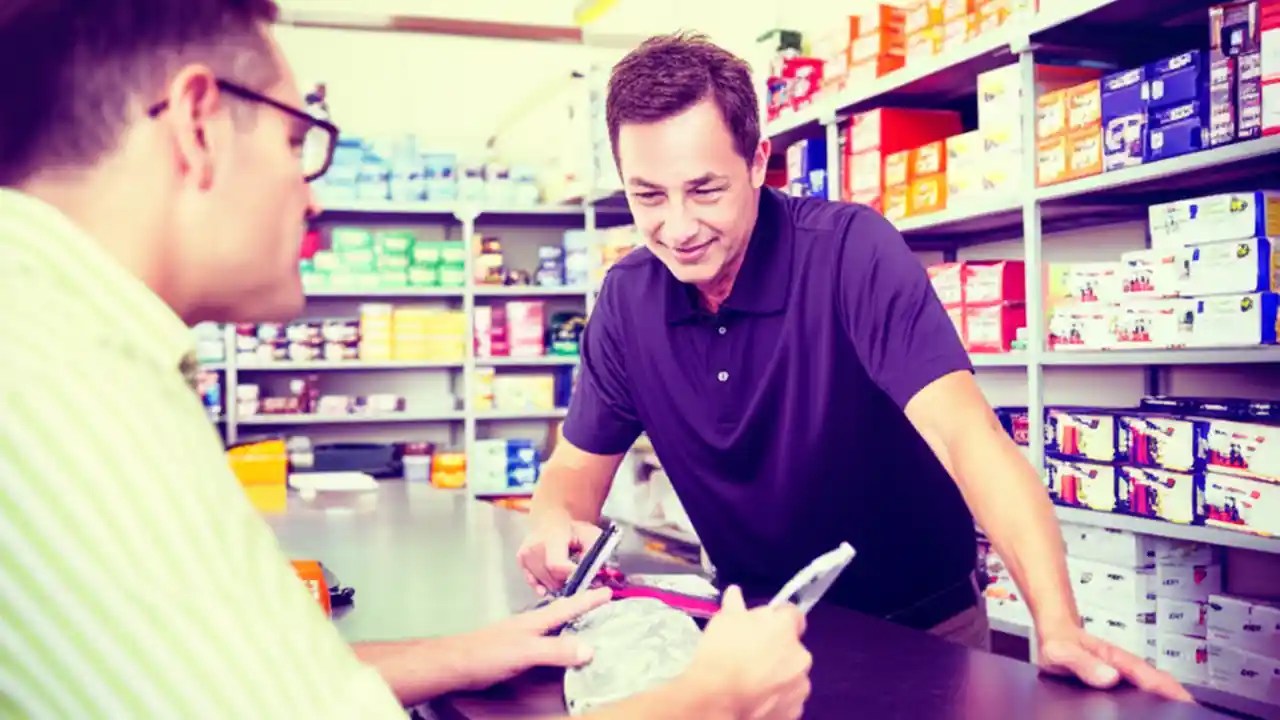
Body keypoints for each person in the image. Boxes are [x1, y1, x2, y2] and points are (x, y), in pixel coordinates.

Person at [0, 4, 812, 718]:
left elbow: (229, 687)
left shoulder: (53, 336)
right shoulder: (65, 391)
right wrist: (712, 699)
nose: (312, 194)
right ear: (198, 125)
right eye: (298, 140)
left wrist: (465, 652)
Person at [517, 32, 1194, 703]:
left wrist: (1057, 622)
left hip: (921, 630)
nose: (679, 226)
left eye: (704, 189)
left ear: (758, 162)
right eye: (649, 197)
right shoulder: (627, 298)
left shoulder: (849, 253)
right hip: (749, 637)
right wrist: (554, 522)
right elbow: (576, 467)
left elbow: (968, 437)